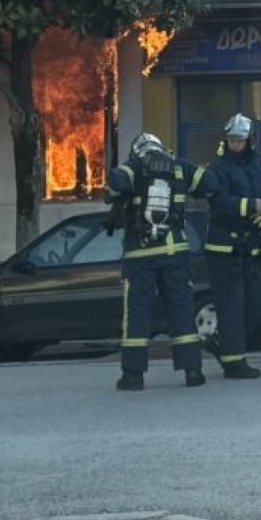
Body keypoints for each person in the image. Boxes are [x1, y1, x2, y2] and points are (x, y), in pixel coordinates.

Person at [106, 132, 213, 392]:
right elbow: (210, 182)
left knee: (137, 314)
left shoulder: (135, 166)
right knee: (182, 310)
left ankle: (133, 376)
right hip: (174, 251)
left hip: (140, 256)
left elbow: (116, 181)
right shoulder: (180, 167)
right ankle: (193, 371)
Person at [203, 113, 261, 379]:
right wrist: (252, 205)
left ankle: (219, 344)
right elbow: (219, 203)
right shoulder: (217, 169)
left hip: (250, 250)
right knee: (231, 310)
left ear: (250, 140)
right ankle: (234, 363)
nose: (235, 145)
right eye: (232, 140)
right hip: (224, 252)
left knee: (255, 308)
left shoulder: (259, 167)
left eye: (240, 140)